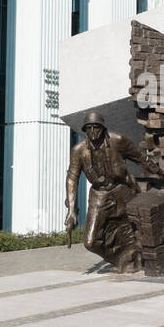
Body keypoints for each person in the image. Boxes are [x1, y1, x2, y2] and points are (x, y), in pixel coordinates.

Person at [65, 111, 148, 273]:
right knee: (90, 242)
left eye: (96, 127)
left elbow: (141, 158)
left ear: (103, 128)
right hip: (99, 195)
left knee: (136, 229)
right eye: (89, 128)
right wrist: (71, 210)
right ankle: (121, 259)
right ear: (85, 130)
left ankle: (137, 258)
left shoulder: (118, 141)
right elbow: (72, 178)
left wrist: (161, 174)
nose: (93, 131)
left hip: (123, 190)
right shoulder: (79, 151)